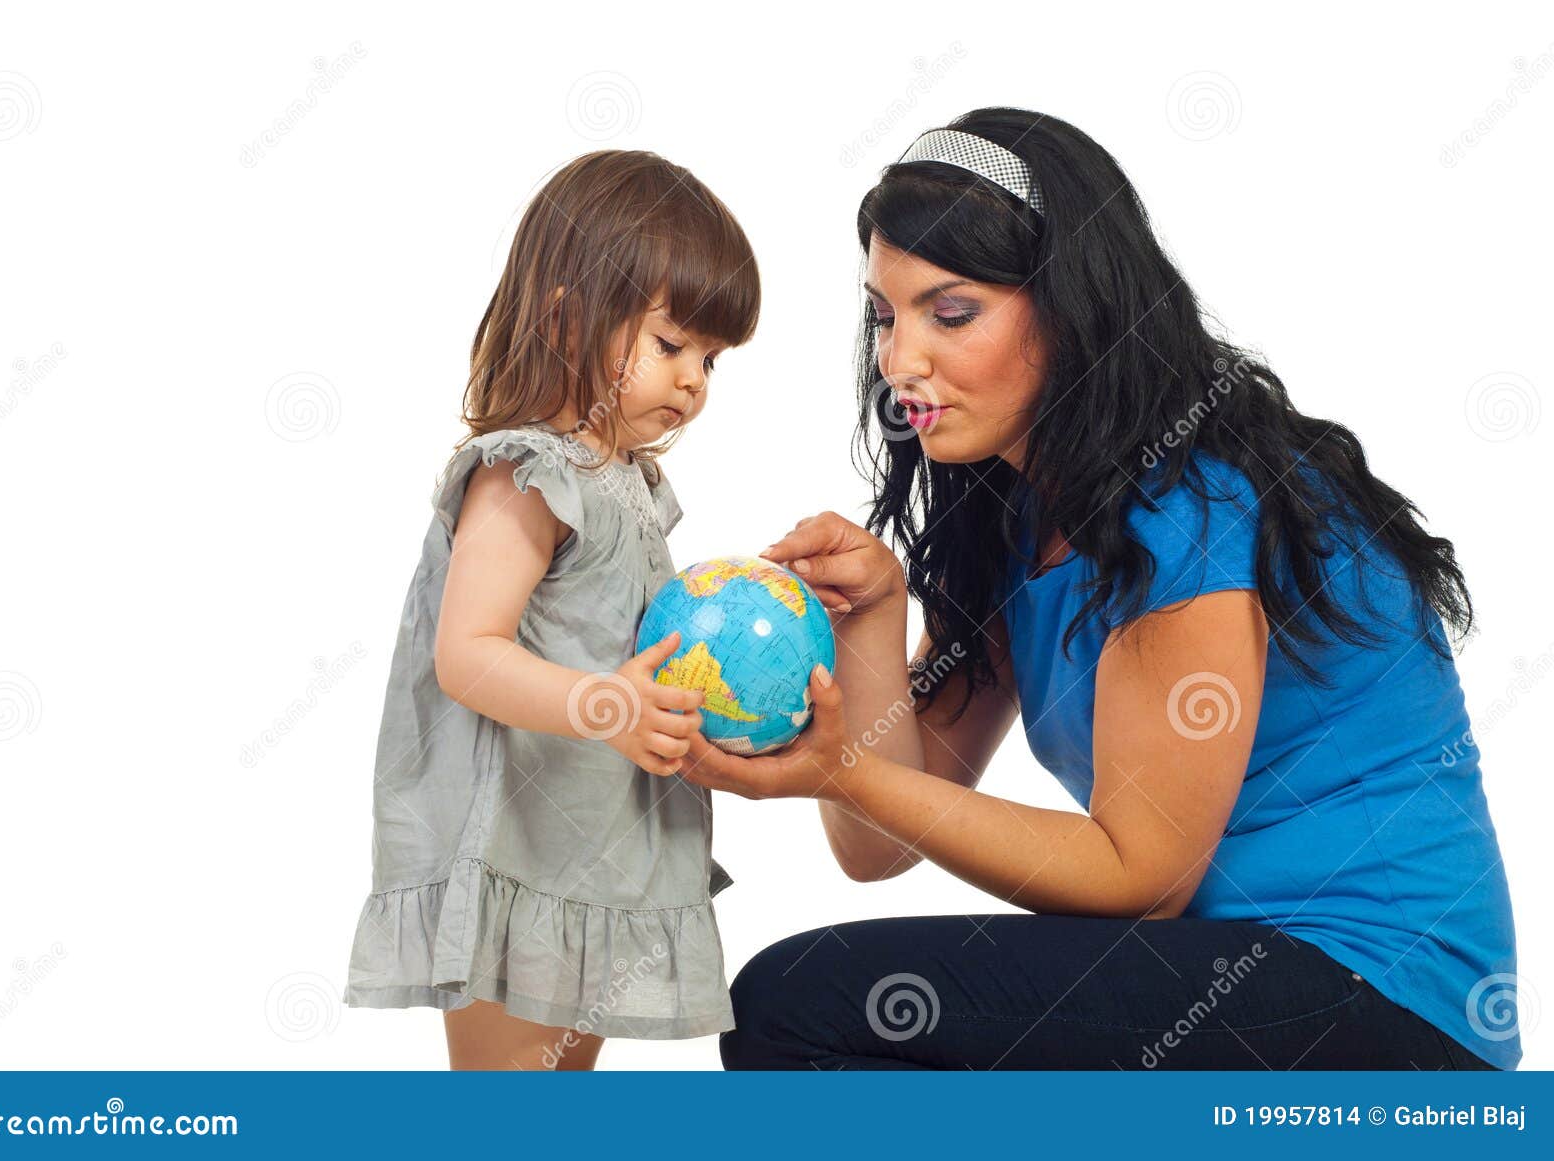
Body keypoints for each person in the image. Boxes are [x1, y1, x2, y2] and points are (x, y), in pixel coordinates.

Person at [682, 109, 1520, 1070]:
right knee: (808, 1007)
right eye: (885, 313)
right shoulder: (1015, 515)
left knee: (802, 1004)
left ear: (1074, 306)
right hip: (1215, 985)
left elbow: (1142, 878)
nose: (899, 361)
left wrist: (844, 770)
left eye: (950, 313)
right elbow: (877, 847)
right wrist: (873, 621)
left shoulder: (1189, 501)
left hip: (1381, 1017)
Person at [342, 149, 759, 1069]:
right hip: (518, 855)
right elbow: (469, 652)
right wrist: (606, 707)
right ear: (570, 319)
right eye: (670, 344)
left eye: (712, 358)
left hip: (591, 859)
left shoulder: (628, 484)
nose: (694, 379)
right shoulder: (527, 472)